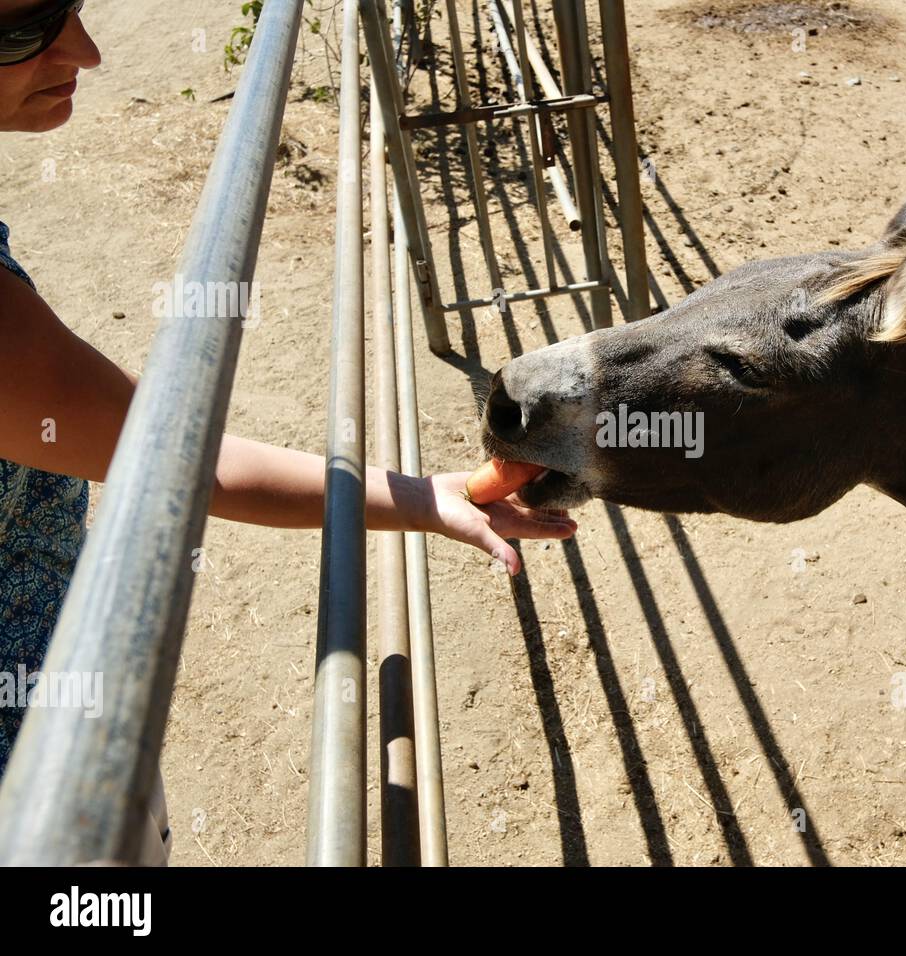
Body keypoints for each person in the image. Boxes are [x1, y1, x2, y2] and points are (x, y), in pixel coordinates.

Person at [0, 0, 575, 859]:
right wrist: (428, 495)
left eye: (73, 8)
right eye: (20, 29)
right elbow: (177, 455)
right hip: (40, 783)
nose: (85, 51)